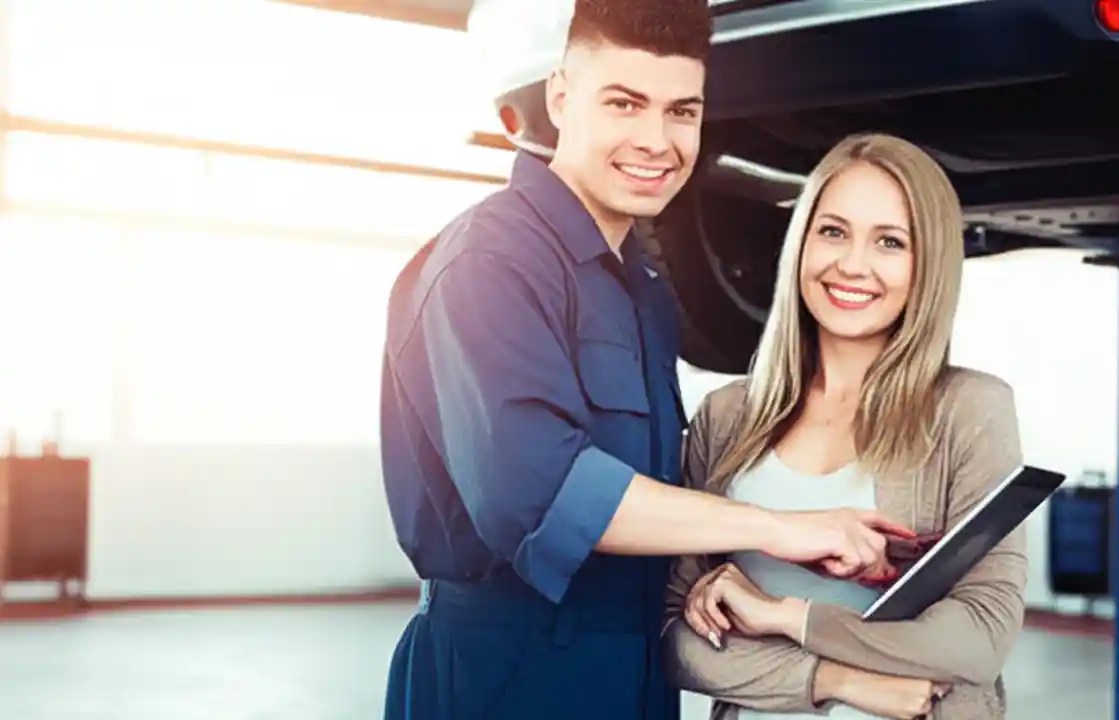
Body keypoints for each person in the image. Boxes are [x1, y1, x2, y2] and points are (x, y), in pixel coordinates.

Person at [378, 3, 912, 718]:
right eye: (625, 104)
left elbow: (658, 490)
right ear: (562, 98)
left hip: (632, 669)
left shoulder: (642, 285)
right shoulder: (489, 264)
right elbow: (546, 496)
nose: (657, 141)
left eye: (681, 111)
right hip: (504, 673)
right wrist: (782, 527)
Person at [663, 133, 1028, 720]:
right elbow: (676, 639)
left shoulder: (971, 410)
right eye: (832, 231)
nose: (852, 264)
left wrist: (787, 616)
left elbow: (978, 640)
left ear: (926, 266)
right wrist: (836, 679)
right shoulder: (728, 415)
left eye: (889, 241)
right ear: (801, 243)